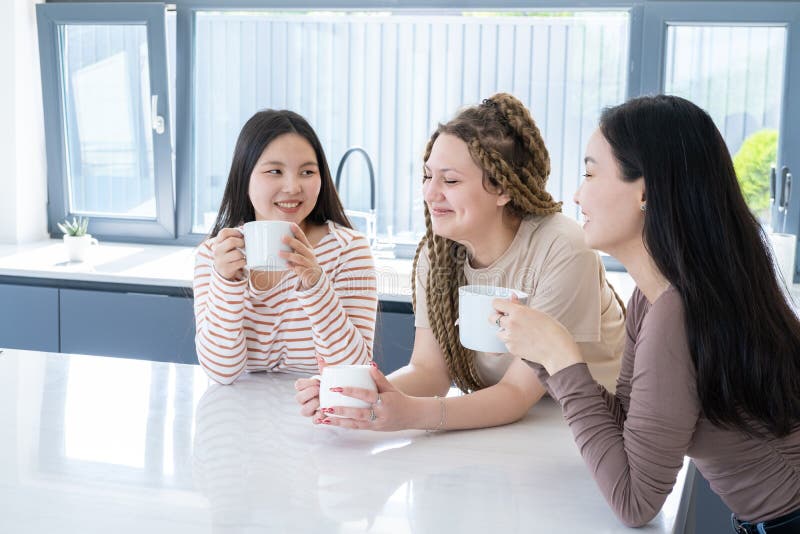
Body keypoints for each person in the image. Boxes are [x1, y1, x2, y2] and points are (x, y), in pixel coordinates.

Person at [489, 95, 800, 531]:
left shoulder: (678, 310)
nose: (577, 194)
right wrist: (547, 357)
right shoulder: (656, 298)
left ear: (646, 190)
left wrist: (563, 360)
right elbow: (631, 425)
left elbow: (636, 502)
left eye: (590, 172)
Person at [295, 93, 626, 431]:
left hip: (591, 429)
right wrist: (353, 395)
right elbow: (429, 372)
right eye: (427, 176)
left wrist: (409, 414)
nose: (430, 193)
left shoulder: (562, 248)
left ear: (502, 189)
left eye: (450, 180)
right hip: (507, 429)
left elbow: (516, 393)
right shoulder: (437, 255)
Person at [193, 110, 377, 384]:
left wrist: (316, 286)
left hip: (320, 420)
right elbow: (221, 371)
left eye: (307, 172)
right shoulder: (214, 255)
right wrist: (226, 283)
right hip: (235, 420)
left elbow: (353, 372)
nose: (292, 187)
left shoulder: (349, 251)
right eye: (274, 171)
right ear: (245, 177)